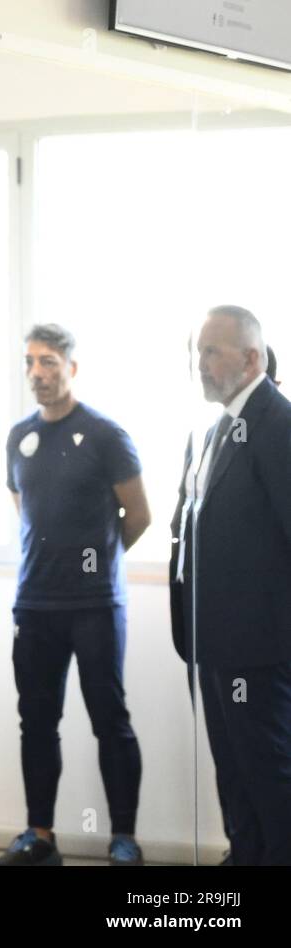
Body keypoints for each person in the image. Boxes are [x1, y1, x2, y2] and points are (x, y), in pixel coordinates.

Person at [0, 323, 151, 866]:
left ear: (72, 368)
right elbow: (27, 512)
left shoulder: (107, 435)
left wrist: (97, 564)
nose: (38, 373)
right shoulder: (18, 437)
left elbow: (139, 516)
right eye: (30, 362)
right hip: (34, 605)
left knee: (110, 719)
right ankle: (41, 836)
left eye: (49, 363)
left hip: (96, 607)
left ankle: (123, 839)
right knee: (36, 721)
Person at [169, 305, 291, 866]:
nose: (200, 363)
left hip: (259, 645)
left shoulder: (277, 422)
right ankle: (244, 856)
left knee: (266, 765)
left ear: (252, 358)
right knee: (232, 764)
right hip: (209, 638)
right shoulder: (214, 429)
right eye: (197, 351)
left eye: (211, 351)